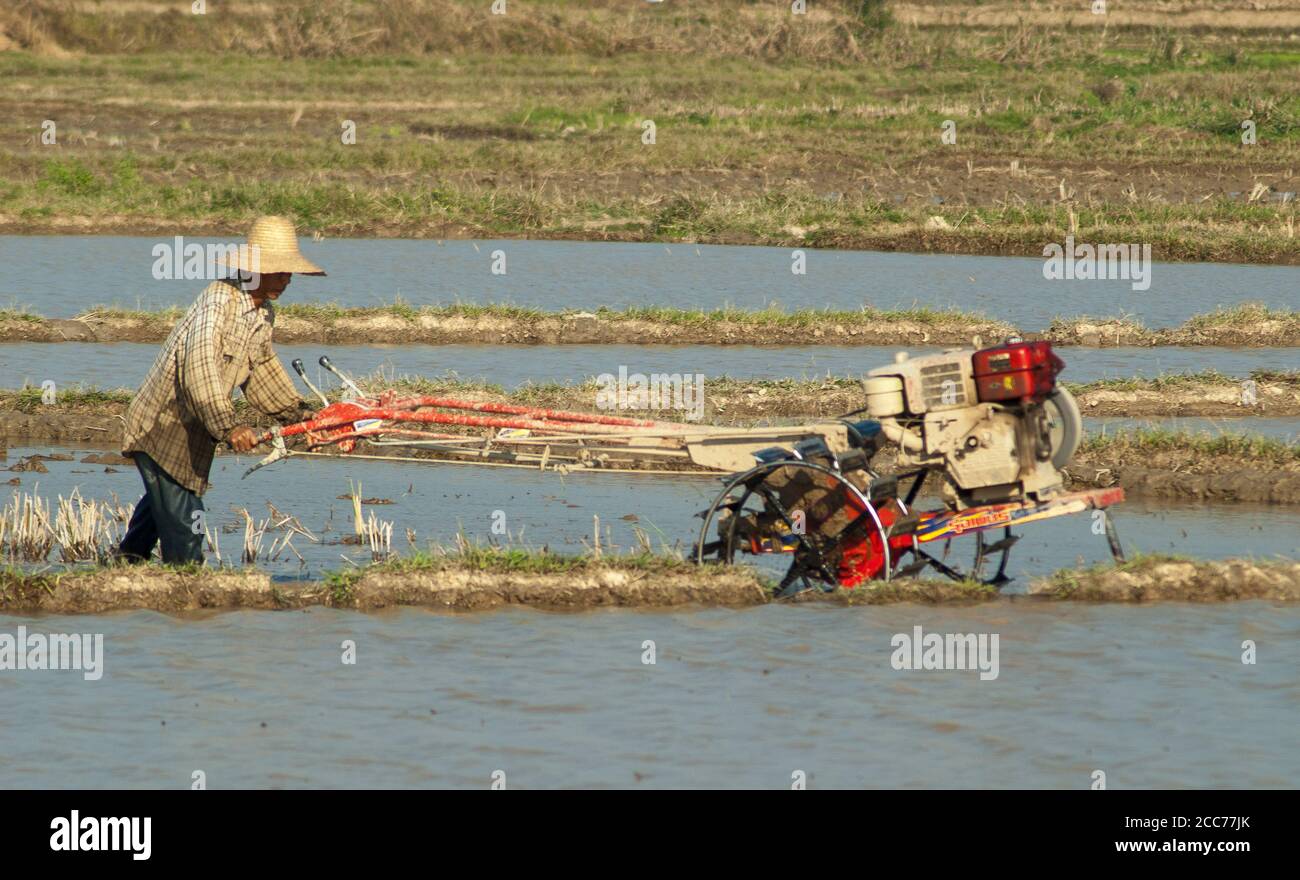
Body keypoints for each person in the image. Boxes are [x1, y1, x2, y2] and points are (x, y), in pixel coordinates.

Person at [116, 215, 325, 564]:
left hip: (193, 431)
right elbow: (200, 371)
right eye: (278, 271)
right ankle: (189, 587)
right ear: (253, 269)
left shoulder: (261, 313)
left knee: (162, 506)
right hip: (162, 425)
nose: (286, 279)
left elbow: (262, 371)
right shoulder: (218, 303)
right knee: (185, 520)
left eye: (289, 272)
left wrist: (301, 415)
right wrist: (230, 427)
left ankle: (126, 564)